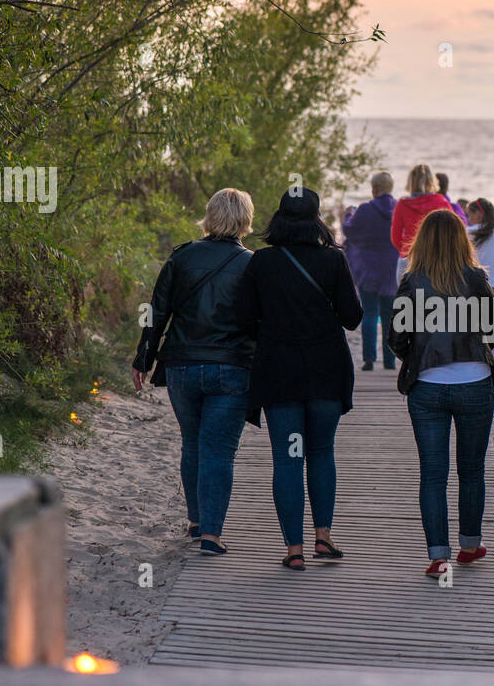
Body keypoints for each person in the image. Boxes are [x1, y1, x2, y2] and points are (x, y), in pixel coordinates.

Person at [232, 187, 363, 570]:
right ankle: (323, 537)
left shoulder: (262, 263)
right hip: (326, 372)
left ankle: (294, 550)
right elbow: (352, 317)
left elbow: (242, 318)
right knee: (321, 452)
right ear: (317, 219)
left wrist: (273, 329)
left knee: (288, 459)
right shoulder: (333, 262)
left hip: (280, 374)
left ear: (278, 220)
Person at [132, 188, 256, 556]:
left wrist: (143, 358)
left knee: (193, 443)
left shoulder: (182, 257)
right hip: (231, 368)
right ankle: (212, 535)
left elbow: (155, 311)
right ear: (245, 220)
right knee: (219, 450)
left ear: (210, 215)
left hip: (182, 365)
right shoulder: (252, 264)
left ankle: (197, 521)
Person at [389, 210, 494, 577]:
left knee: (433, 473)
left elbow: (395, 339)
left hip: (427, 387)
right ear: (461, 240)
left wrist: (419, 353)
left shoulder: (411, 281)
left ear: (422, 242)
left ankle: (438, 556)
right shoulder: (477, 278)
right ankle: (470, 544)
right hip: (475, 383)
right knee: (472, 469)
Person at [342, 172, 400, 370]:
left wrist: (348, 215)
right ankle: (390, 361)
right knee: (390, 316)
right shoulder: (399, 208)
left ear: (374, 189)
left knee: (369, 313)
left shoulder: (365, 209)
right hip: (393, 270)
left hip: (368, 270)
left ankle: (369, 359)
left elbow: (350, 230)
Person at [390, 163, 459, 281]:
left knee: (405, 299)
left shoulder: (402, 204)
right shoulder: (441, 203)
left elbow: (395, 237)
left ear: (410, 181)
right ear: (432, 181)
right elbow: (452, 234)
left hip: (408, 259)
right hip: (435, 260)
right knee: (434, 299)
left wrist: (408, 249)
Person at [465, 197, 494, 365]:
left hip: (471, 284)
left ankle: (474, 360)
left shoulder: (467, 232)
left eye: (470, 214)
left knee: (472, 324)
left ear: (479, 215)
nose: (468, 219)